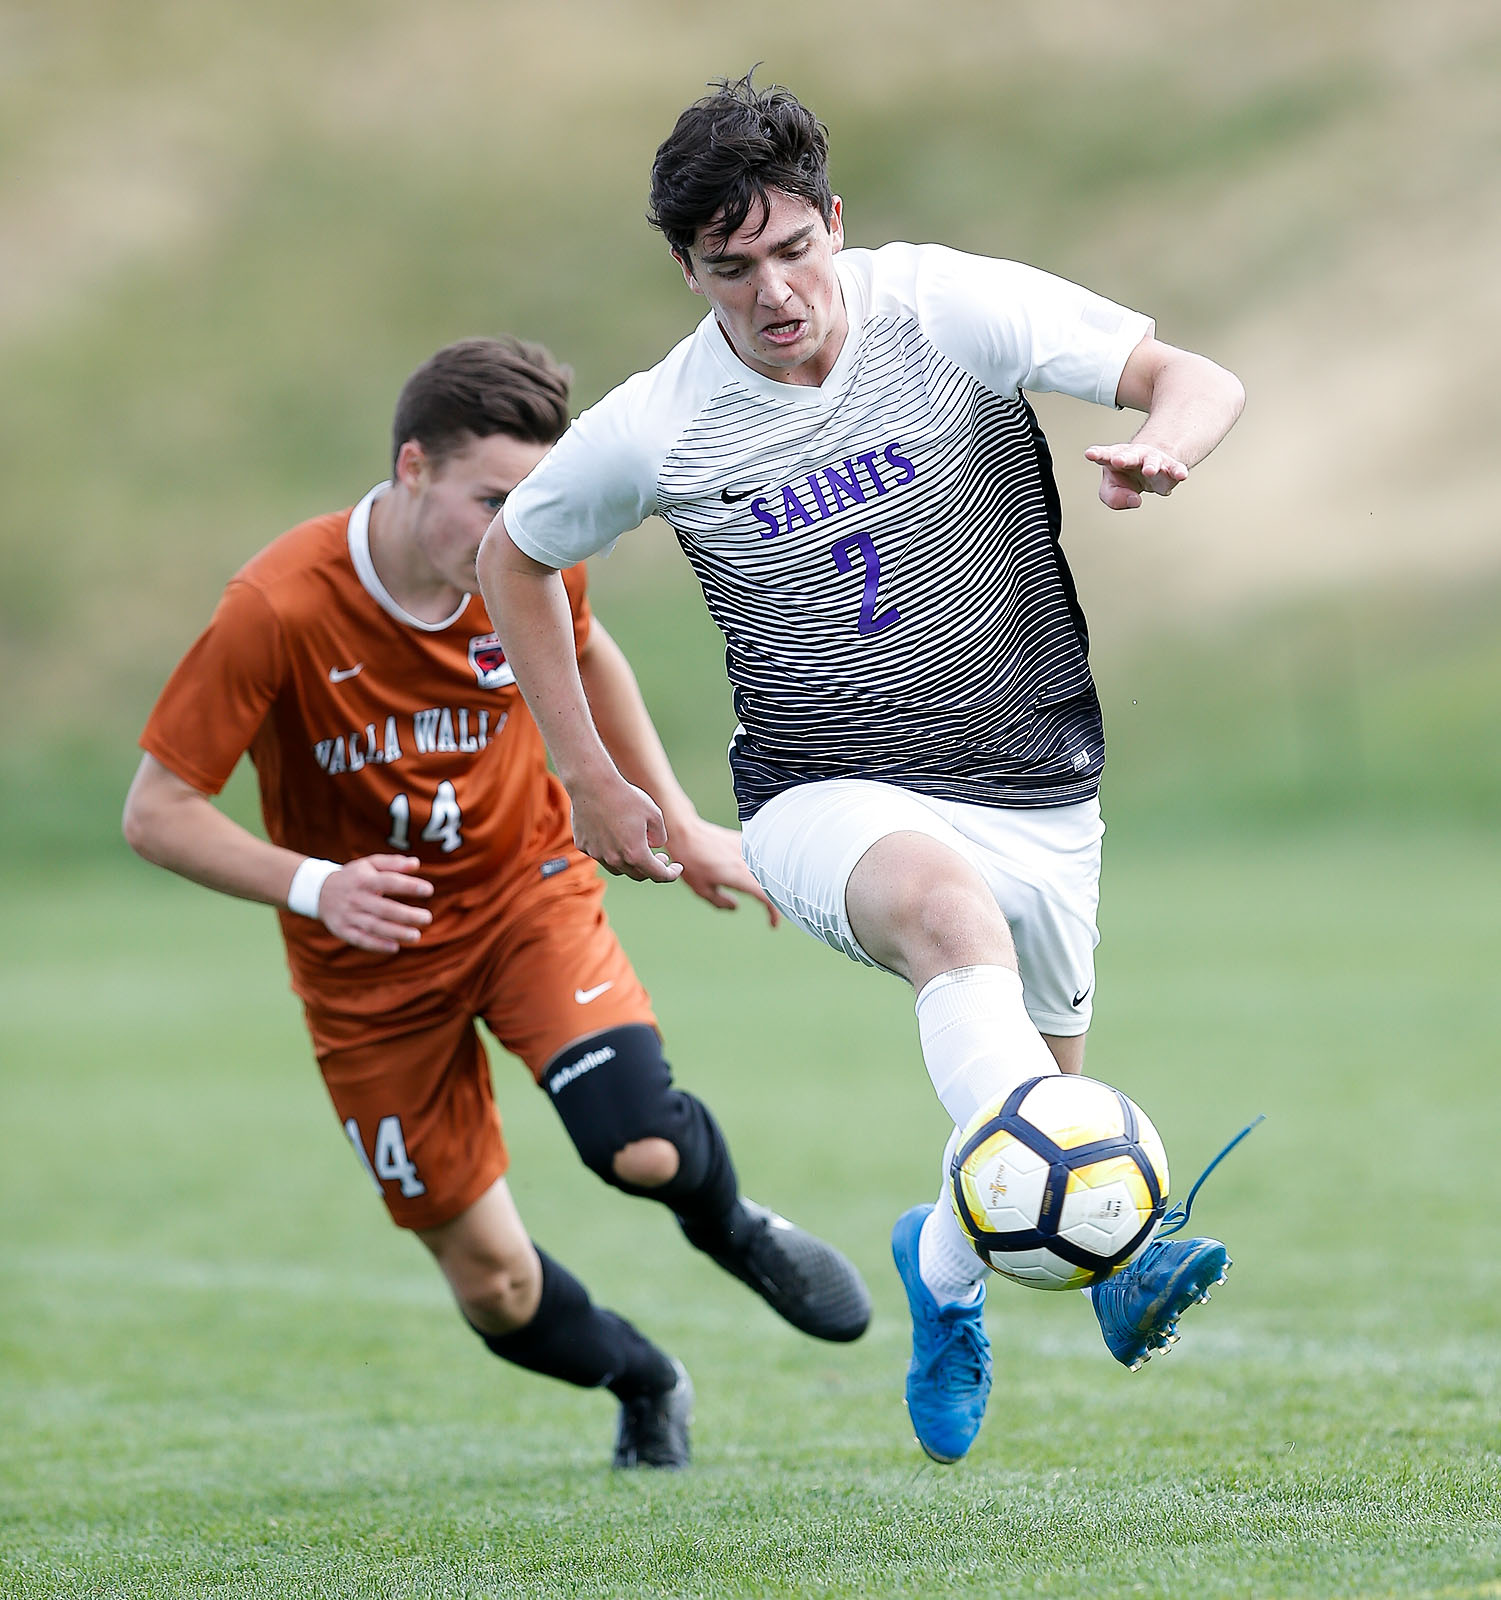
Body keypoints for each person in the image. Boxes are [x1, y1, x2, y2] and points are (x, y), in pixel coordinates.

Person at [474, 75, 1248, 1466]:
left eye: (791, 250)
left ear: (835, 222)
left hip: (1040, 785)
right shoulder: (662, 423)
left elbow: (1195, 377)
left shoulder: (944, 306)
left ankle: (942, 1270)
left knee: (1033, 1120)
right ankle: (1130, 1263)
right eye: (730, 268)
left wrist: (1164, 447)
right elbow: (514, 554)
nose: (773, 291)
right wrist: (586, 776)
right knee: (948, 925)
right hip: (820, 796)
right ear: (687, 268)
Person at [122, 334, 871, 1472]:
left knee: (638, 1149)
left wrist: (669, 815)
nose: (517, 526)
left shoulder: (531, 551)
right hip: (368, 969)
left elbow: (588, 652)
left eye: (534, 499)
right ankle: (644, 1375)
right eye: (491, 498)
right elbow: (158, 809)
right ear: (411, 466)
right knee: (495, 1287)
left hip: (527, 897)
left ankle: (738, 1228)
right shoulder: (276, 608)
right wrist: (319, 886)